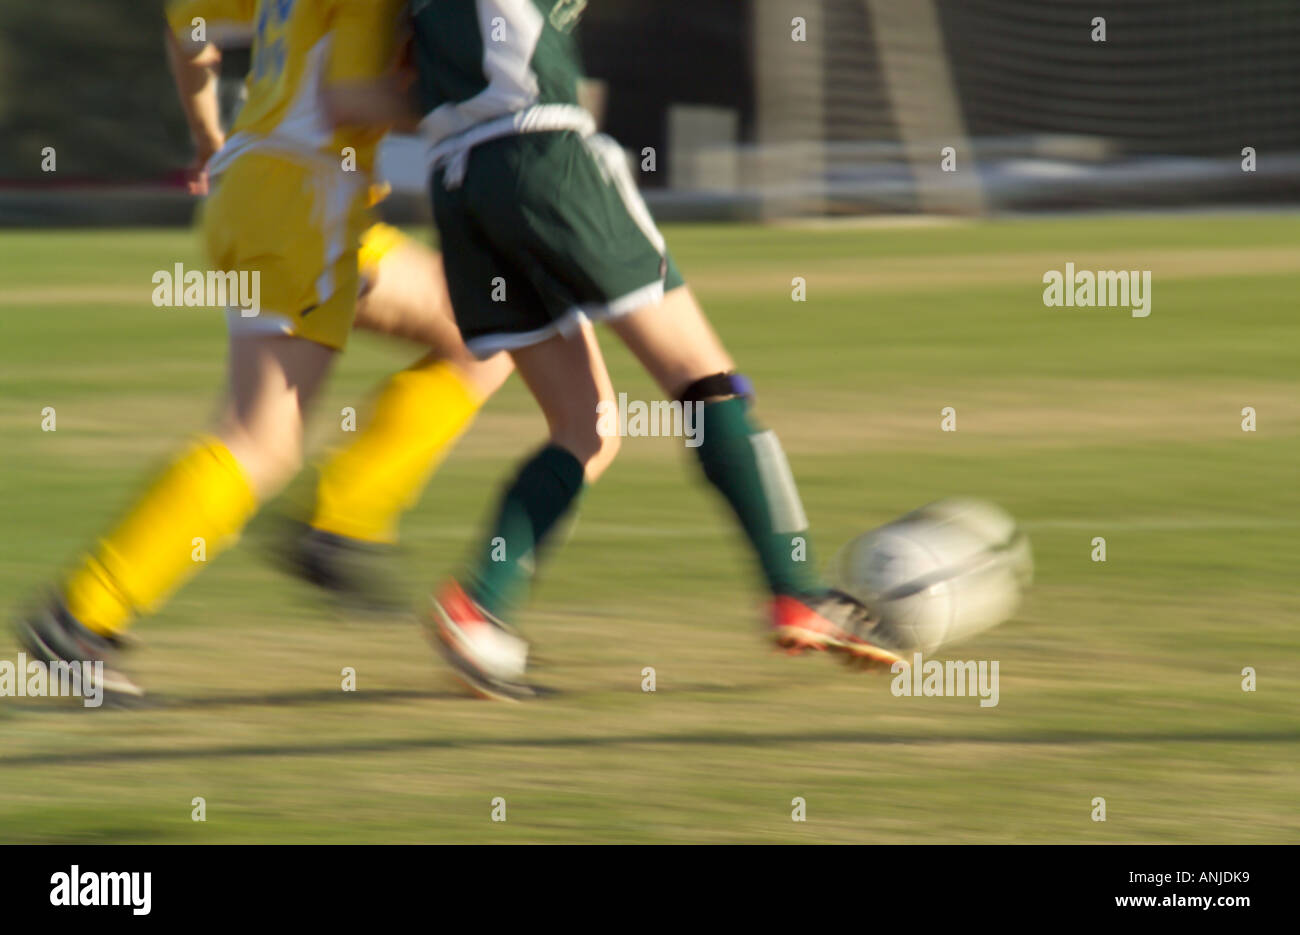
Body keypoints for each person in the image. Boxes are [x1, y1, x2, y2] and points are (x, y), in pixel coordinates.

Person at [408, 1, 906, 701]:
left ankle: (477, 609)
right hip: (543, 154)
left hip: (458, 185)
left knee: (587, 426)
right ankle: (795, 590)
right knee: (705, 382)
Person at [15, 0, 439, 698]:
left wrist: (208, 135)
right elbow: (350, 97)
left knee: (479, 329)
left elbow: (187, 27)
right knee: (259, 441)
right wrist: (481, 102)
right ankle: (80, 616)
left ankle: (343, 519)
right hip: (305, 205)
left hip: (254, 192)